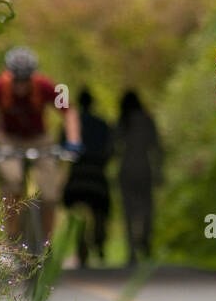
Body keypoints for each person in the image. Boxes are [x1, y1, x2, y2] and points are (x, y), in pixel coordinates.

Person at [0, 47, 81, 248]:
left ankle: (46, 243)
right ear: (9, 74)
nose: (21, 85)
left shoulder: (45, 86)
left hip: (39, 140)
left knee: (50, 194)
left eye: (25, 79)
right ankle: (12, 237)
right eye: (17, 80)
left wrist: (73, 142)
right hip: (8, 140)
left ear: (33, 75)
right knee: (12, 182)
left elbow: (69, 111)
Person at [62, 88, 113, 266]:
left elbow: (62, 149)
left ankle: (81, 246)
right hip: (97, 173)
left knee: (77, 212)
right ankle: (99, 241)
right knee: (100, 210)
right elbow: (110, 149)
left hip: (77, 174)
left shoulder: (69, 125)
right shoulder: (102, 124)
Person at [115, 90, 162, 264]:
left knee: (128, 211)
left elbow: (112, 147)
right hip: (144, 168)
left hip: (126, 169)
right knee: (147, 207)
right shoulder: (147, 121)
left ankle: (132, 251)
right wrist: (158, 172)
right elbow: (156, 148)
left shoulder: (122, 121)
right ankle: (145, 239)